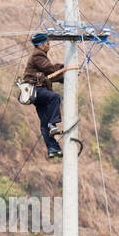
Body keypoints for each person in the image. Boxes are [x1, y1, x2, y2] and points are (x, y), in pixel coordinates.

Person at [22, 32, 77, 160]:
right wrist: (65, 69)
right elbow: (50, 70)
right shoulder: (38, 55)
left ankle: (53, 148)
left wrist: (63, 73)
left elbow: (48, 75)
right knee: (54, 97)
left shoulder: (39, 55)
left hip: (34, 92)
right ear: (40, 45)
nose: (49, 45)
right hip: (35, 89)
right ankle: (53, 124)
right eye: (47, 43)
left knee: (44, 123)